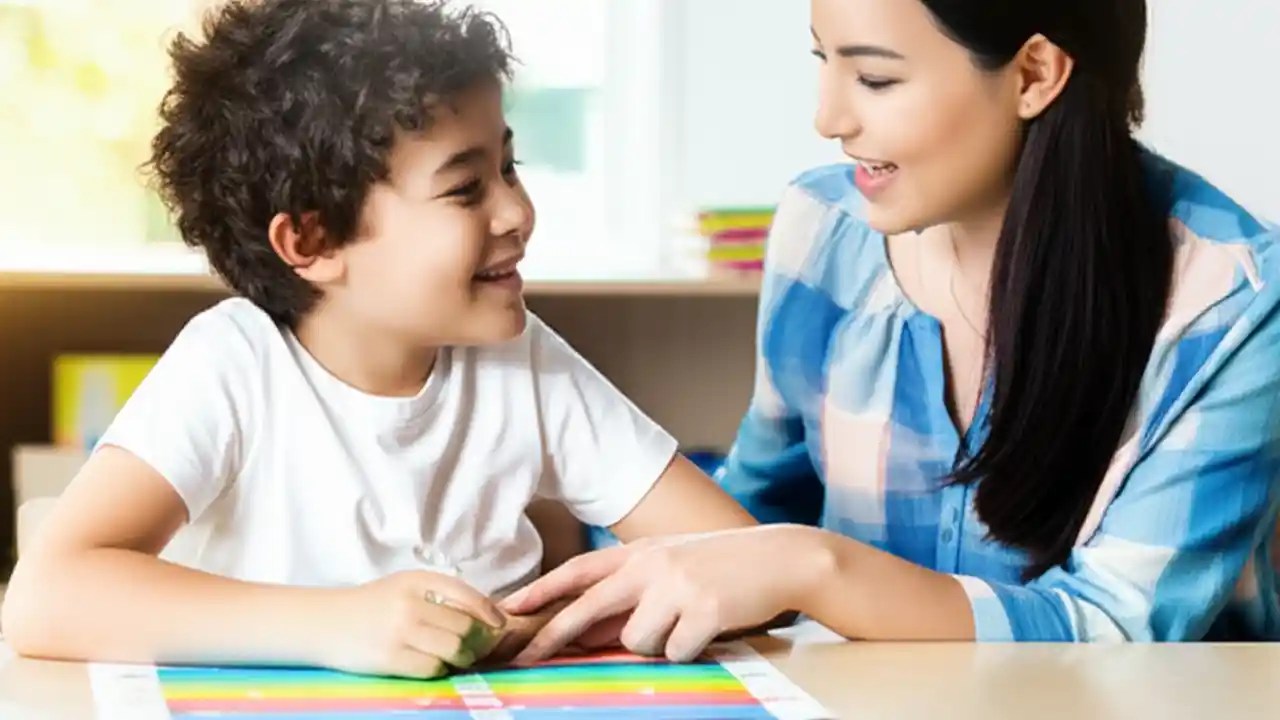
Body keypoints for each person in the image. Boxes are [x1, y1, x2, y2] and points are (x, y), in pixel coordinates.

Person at [503, 0, 1280, 663]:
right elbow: (754, 510)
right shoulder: (823, 231)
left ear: (1034, 74)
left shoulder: (1228, 298)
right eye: (823, 60)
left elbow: (1118, 631)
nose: (828, 119)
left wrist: (812, 566)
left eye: (875, 77)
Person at [0, 0, 754, 678]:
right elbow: (47, 595)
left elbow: (745, 563)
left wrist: (578, 613)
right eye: (465, 188)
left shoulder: (523, 361)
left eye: (509, 166)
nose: (518, 211)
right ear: (311, 240)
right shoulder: (232, 364)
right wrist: (337, 623)